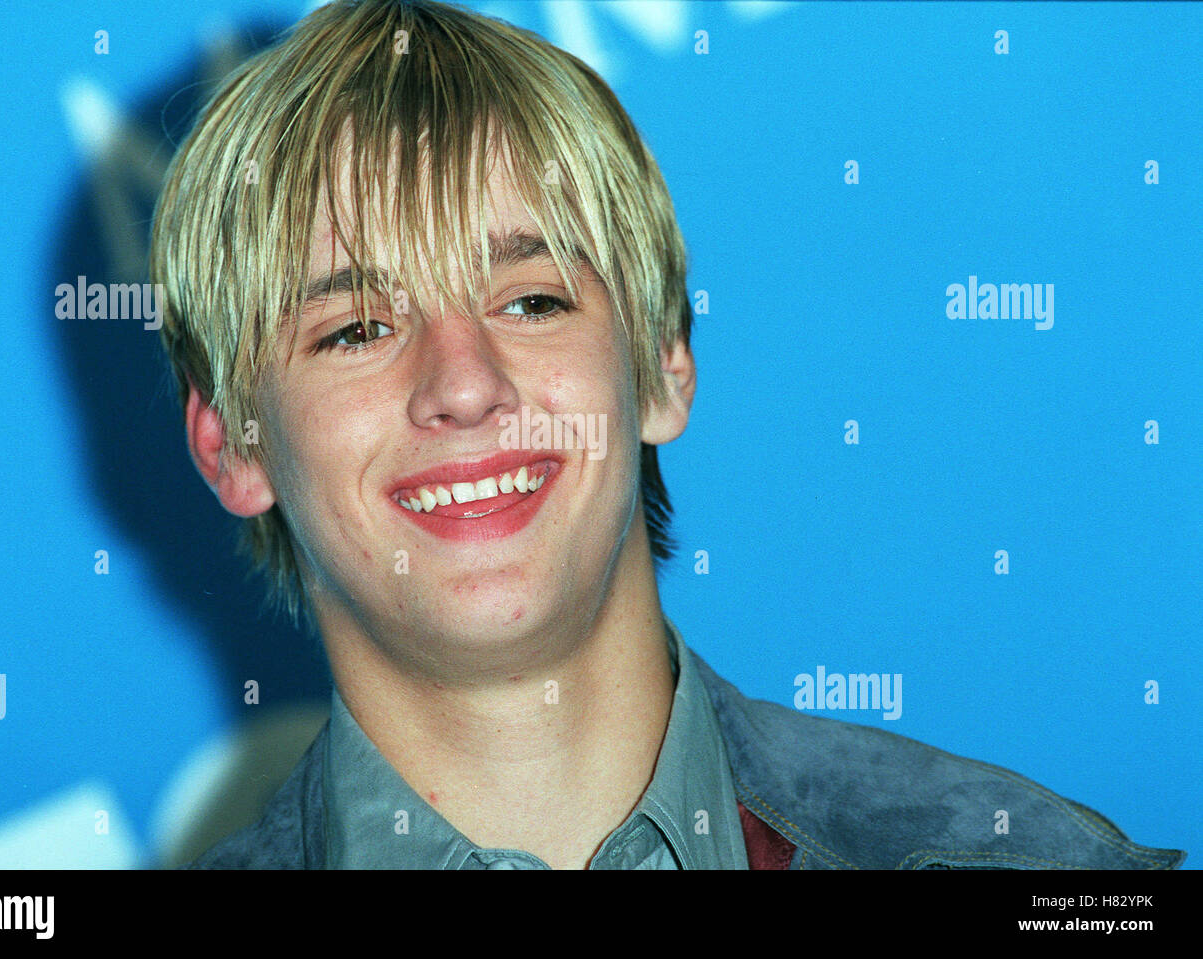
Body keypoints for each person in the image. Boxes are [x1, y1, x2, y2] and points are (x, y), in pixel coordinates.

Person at [148, 0, 1184, 870]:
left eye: (532, 300)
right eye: (358, 328)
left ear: (661, 364)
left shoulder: (1039, 868)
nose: (462, 386)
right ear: (229, 445)